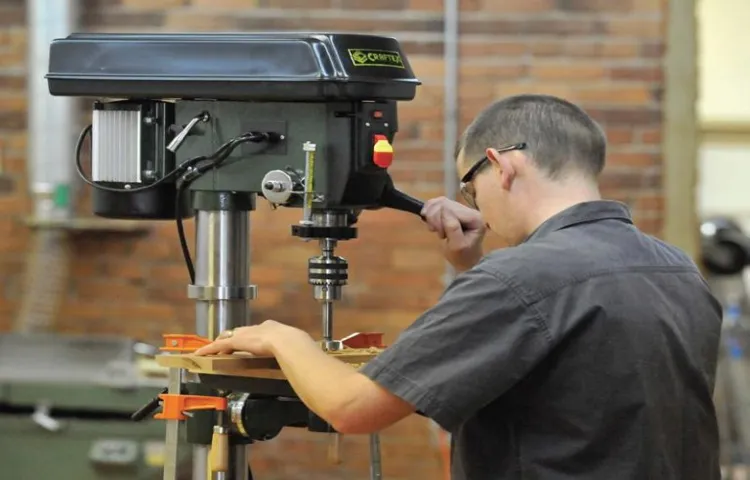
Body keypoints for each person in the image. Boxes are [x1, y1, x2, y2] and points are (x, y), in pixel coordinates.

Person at [194, 94, 723, 479]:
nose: (474, 204)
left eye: (471, 187)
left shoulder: (518, 280)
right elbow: (566, 377)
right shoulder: (676, 270)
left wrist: (283, 338)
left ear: (502, 165)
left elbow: (353, 409)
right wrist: (470, 267)